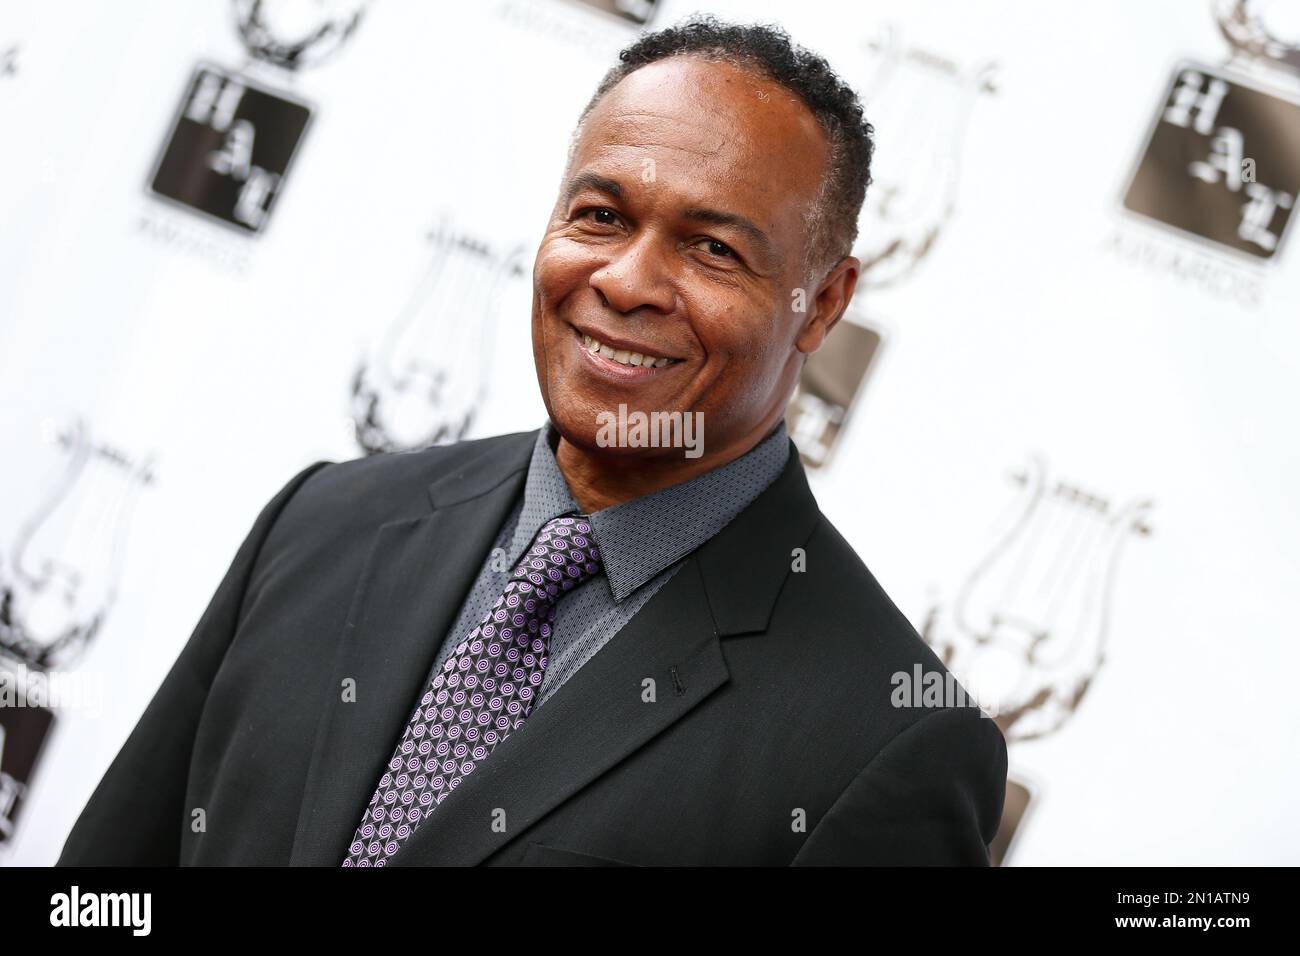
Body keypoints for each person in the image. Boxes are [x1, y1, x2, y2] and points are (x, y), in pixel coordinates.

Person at [57, 14, 1006, 867]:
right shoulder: (322, 522)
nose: (625, 280)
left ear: (824, 303)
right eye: (602, 217)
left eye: (712, 248)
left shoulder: (885, 744)